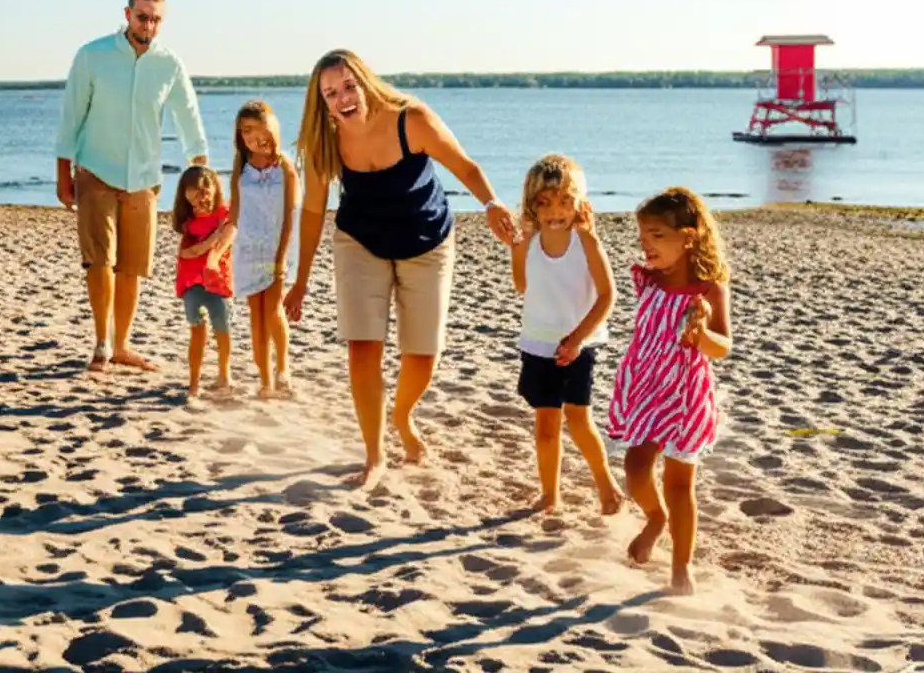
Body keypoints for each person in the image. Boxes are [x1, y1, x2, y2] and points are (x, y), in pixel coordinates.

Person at [284, 49, 517, 490]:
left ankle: (402, 416)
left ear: (365, 82)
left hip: (426, 241)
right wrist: (300, 280)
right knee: (362, 348)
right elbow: (313, 210)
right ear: (322, 102)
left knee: (423, 354)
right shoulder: (324, 139)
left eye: (348, 86)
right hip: (361, 242)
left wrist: (491, 204)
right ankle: (375, 457)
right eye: (330, 93)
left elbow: (465, 166)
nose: (342, 99)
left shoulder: (411, 119)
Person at [54, 0, 208, 373]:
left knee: (132, 267)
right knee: (100, 262)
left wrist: (201, 168)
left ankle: (122, 345)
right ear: (127, 14)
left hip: (143, 177)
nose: (149, 25)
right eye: (142, 16)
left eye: (156, 19)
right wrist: (63, 172)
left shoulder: (169, 65)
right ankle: (102, 343)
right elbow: (71, 115)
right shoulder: (92, 56)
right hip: (95, 172)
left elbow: (187, 115)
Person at [607, 186, 732, 595]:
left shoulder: (708, 290)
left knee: (681, 484)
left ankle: (681, 568)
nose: (646, 246)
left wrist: (699, 334)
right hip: (646, 386)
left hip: (684, 394)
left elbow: (723, 347)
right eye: (643, 237)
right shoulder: (648, 278)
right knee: (635, 469)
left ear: (689, 236)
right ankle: (655, 518)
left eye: (657, 235)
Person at [508, 154, 623, 515]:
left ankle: (606, 486)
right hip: (538, 342)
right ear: (532, 206)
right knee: (545, 426)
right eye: (545, 203)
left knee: (578, 418)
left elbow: (608, 296)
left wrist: (577, 339)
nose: (555, 211)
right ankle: (550, 494)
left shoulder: (585, 240)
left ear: (579, 203)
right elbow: (521, 284)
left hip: (579, 343)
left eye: (564, 201)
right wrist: (519, 243)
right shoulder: (531, 239)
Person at [230, 100, 300, 399]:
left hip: (276, 248)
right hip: (247, 249)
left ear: (271, 130)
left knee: (273, 310)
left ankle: (283, 370)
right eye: (245, 131)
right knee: (255, 316)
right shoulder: (240, 166)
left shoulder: (285, 166)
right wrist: (216, 248)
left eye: (256, 130)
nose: (251, 137)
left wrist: (281, 256)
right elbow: (233, 215)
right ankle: (264, 379)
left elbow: (290, 215)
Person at [172, 166, 236, 398]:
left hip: (218, 279)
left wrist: (207, 246)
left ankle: (224, 374)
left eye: (205, 189)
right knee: (197, 327)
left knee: (222, 327)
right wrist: (206, 243)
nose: (201, 196)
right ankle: (194, 381)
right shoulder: (187, 220)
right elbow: (186, 252)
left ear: (214, 187)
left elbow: (227, 236)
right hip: (191, 281)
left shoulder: (225, 213)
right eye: (194, 192)